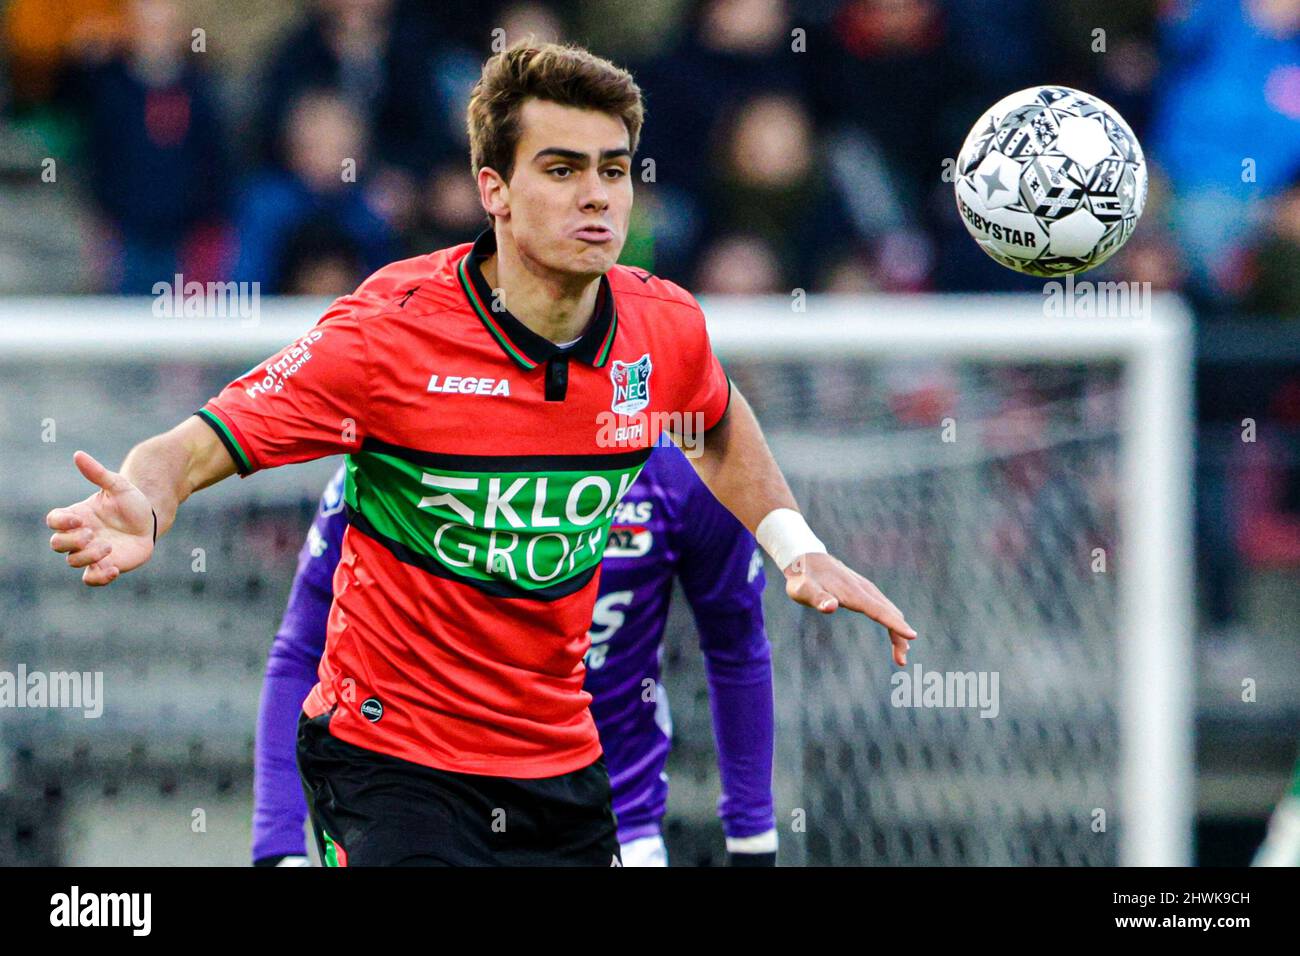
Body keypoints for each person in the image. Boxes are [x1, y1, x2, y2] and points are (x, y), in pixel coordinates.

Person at [46, 40, 916, 866]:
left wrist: (795, 543)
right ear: (493, 190)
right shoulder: (388, 337)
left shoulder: (665, 329)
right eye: (562, 169)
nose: (598, 196)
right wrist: (148, 497)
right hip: (391, 762)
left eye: (613, 170)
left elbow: (717, 420)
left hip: (561, 765)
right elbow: (199, 442)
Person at [254, 442, 777, 867]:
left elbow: (736, 644)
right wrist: (277, 846)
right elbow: (303, 645)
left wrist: (753, 836)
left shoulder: (674, 463)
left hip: (607, 823)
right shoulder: (409, 446)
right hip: (425, 806)